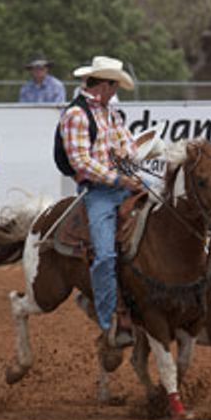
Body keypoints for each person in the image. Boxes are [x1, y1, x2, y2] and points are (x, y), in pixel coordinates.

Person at [58, 55, 143, 348]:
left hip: (124, 183)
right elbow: (80, 162)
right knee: (105, 255)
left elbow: (130, 144)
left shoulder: (111, 114)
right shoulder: (76, 116)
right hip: (99, 192)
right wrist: (118, 179)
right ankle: (108, 319)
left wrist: (127, 154)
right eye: (115, 85)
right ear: (104, 85)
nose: (116, 91)